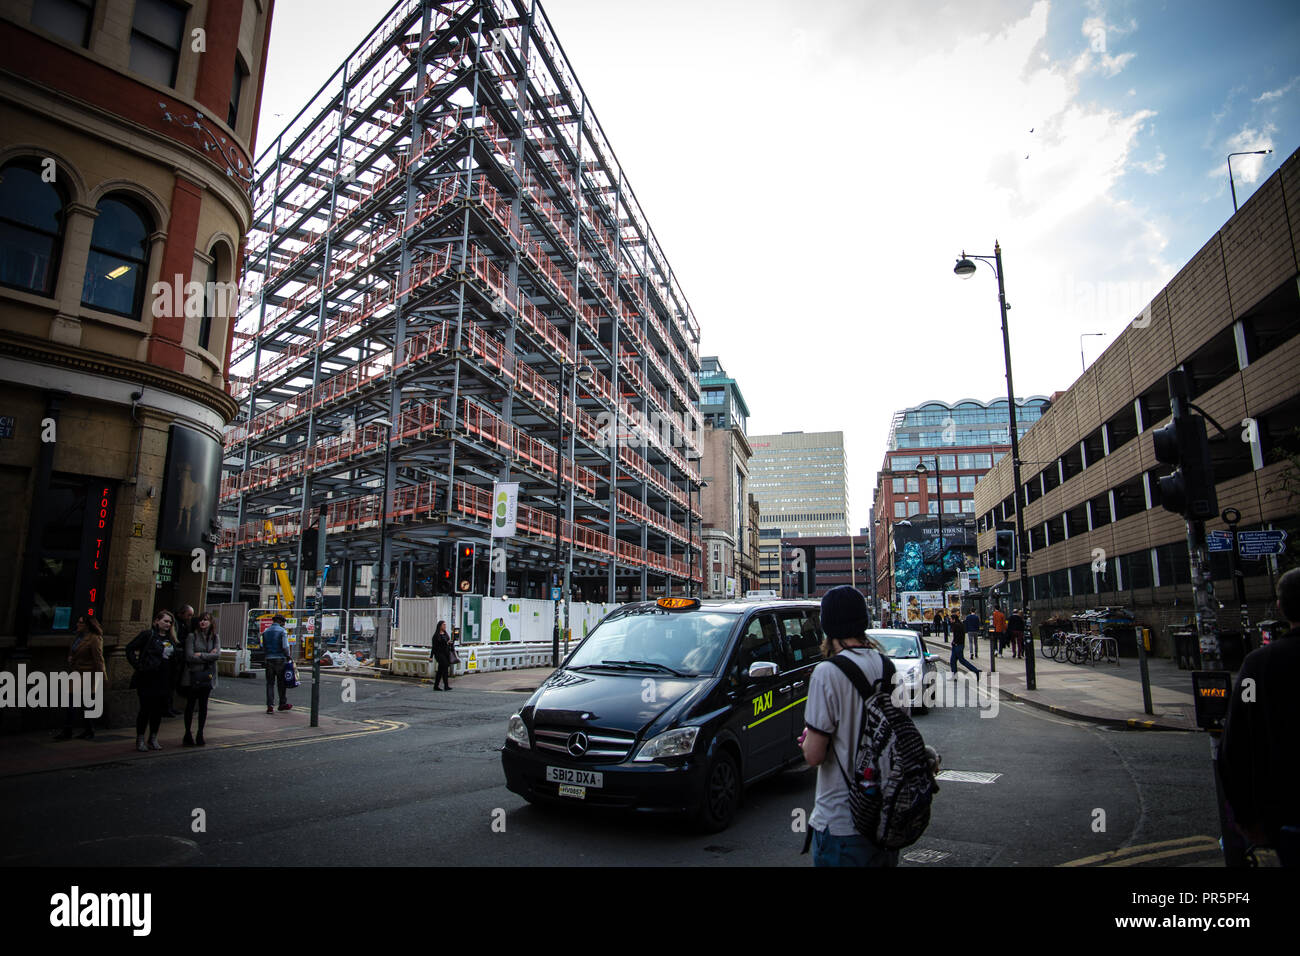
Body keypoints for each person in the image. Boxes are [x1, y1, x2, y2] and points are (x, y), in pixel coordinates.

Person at [798, 585, 898, 867]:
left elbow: (814, 755)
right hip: (885, 820)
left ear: (828, 627)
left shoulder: (827, 673)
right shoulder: (888, 668)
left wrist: (808, 740)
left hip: (842, 823)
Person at [1219, 568, 1300, 865]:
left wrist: (1245, 815)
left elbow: (1236, 744)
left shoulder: (1260, 665)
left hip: (1290, 811)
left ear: (1280, 607)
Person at [125, 609, 178, 751]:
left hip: (164, 680)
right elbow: (129, 648)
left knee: (158, 711)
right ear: (156, 621)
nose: (168, 624)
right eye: (165, 621)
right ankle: (140, 738)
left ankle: (153, 738)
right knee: (145, 710)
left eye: (170, 622)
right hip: (148, 678)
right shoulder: (148, 635)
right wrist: (138, 666)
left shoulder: (170, 639)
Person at [55, 615, 105, 741]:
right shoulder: (77, 637)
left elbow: (99, 659)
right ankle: (69, 731)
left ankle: (88, 730)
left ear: (88, 625)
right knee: (71, 703)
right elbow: (73, 651)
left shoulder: (94, 639)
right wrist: (70, 658)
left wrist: (102, 676)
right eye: (78, 622)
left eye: (81, 622)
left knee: (86, 705)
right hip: (76, 674)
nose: (78, 624)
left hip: (88, 675)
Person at [182, 611, 221, 745]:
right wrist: (208, 655)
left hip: (207, 676)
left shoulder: (215, 637)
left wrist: (201, 655)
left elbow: (217, 656)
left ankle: (200, 733)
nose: (203, 622)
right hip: (193, 675)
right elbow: (189, 656)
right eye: (201, 620)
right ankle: (187, 733)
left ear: (211, 622)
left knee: (203, 706)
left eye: (206, 620)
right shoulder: (192, 636)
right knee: (190, 705)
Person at [168, 604, 195, 717]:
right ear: (181, 613)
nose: (190, 618)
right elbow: (177, 640)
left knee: (174, 683)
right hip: (174, 658)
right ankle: (167, 707)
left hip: (180, 657)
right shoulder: (175, 624)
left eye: (191, 616)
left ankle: (170, 707)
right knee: (170, 683)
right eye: (188, 615)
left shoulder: (184, 624)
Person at [262, 614, 293, 714]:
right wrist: (288, 656)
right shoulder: (282, 631)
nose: (284, 625)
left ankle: (270, 706)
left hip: (268, 659)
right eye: (283, 623)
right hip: (280, 659)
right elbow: (285, 646)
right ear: (280, 621)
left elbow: (263, 645)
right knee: (281, 683)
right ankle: (282, 704)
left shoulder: (266, 631)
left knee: (270, 683)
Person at [948, 610, 979, 676]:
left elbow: (958, 636)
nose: (950, 620)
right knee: (953, 661)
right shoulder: (958, 624)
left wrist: (955, 642)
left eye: (951, 619)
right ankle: (954, 676)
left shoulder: (957, 626)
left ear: (953, 619)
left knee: (961, 660)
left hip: (958, 646)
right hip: (957, 645)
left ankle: (975, 670)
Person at [430, 620, 452, 691]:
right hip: (439, 654)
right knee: (445, 667)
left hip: (445, 653)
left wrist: (450, 643)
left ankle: (436, 686)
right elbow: (434, 647)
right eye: (443, 625)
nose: (445, 626)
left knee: (440, 670)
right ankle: (446, 685)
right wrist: (431, 657)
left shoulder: (445, 634)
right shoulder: (436, 636)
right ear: (440, 626)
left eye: (445, 625)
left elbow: (448, 642)